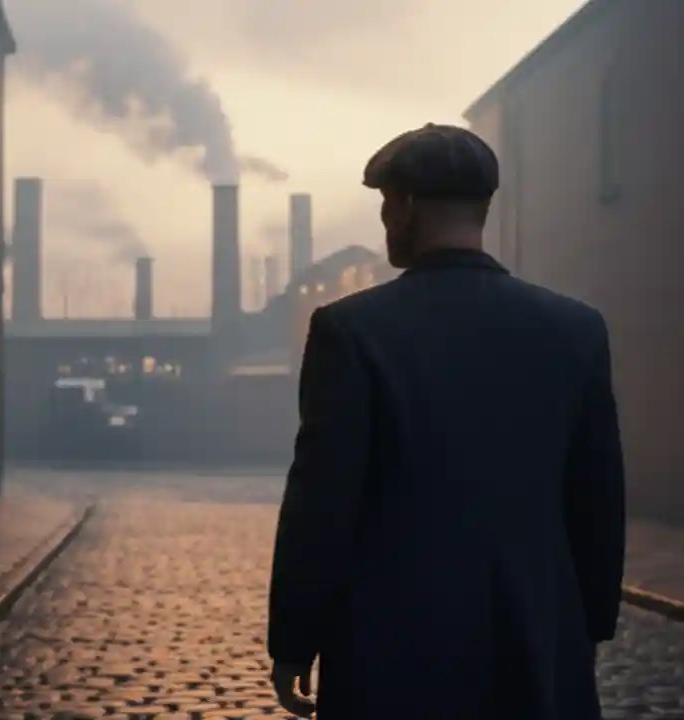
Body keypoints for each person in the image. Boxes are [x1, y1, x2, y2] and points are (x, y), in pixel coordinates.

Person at [267, 123, 626, 719]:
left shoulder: (352, 331)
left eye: (386, 206)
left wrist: (295, 640)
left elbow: (323, 503)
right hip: (535, 642)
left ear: (404, 206)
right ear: (482, 208)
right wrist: (581, 631)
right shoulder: (576, 329)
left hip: (391, 655)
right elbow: (597, 499)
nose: (385, 224)